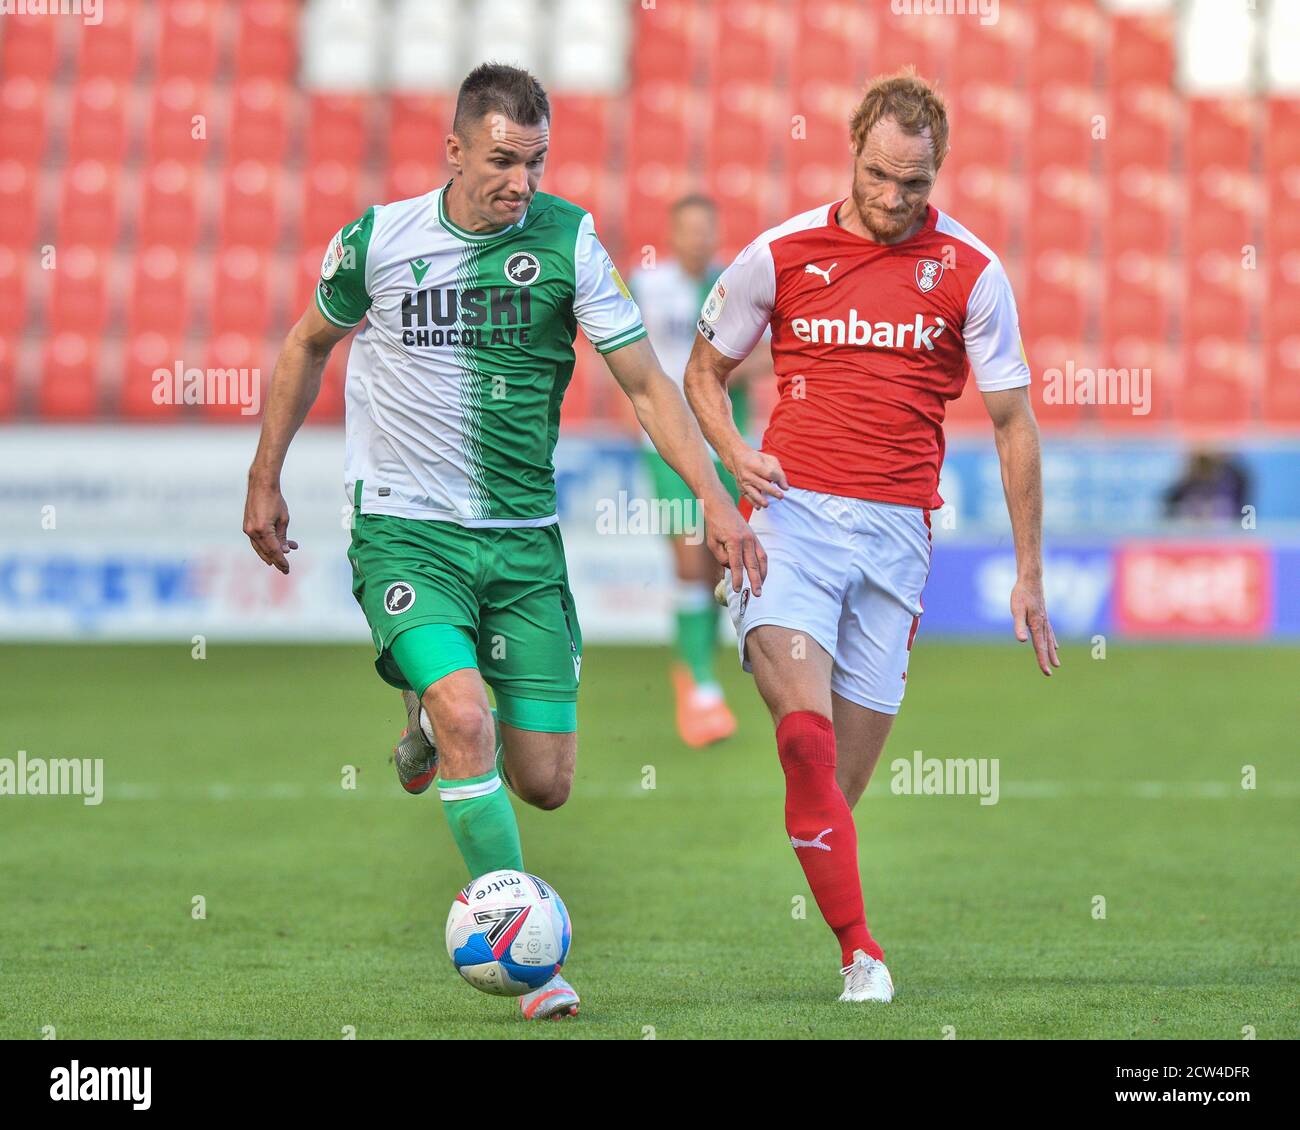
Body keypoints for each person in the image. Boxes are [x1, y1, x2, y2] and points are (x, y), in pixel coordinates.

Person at [243, 63, 764, 1020]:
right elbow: (305, 345)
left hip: (523, 544)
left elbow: (646, 384)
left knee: (546, 782)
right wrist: (264, 474)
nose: (520, 181)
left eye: (534, 161)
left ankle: (421, 718)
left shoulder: (569, 241)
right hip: (408, 533)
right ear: (453, 149)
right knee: (468, 718)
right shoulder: (379, 240)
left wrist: (714, 498)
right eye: (500, 161)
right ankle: (530, 960)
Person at [684, 69, 1059, 1004]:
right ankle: (863, 953)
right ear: (853, 148)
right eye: (880, 175)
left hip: (898, 543)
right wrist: (733, 453)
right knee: (803, 745)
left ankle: (837, 895)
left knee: (830, 799)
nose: (894, 199)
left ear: (939, 172)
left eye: (915, 183)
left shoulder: (973, 272)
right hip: (792, 524)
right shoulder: (778, 254)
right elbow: (702, 369)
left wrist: (1028, 571)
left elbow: (1014, 424)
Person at [630, 195, 770, 747]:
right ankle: (702, 685)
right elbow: (624, 357)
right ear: (672, 231)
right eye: (686, 228)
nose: (696, 238)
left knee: (720, 564)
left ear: (715, 233)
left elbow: (776, 352)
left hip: (728, 443)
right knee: (690, 560)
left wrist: (720, 364)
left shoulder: (737, 285)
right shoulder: (647, 285)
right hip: (668, 445)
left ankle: (694, 674)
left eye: (705, 229)